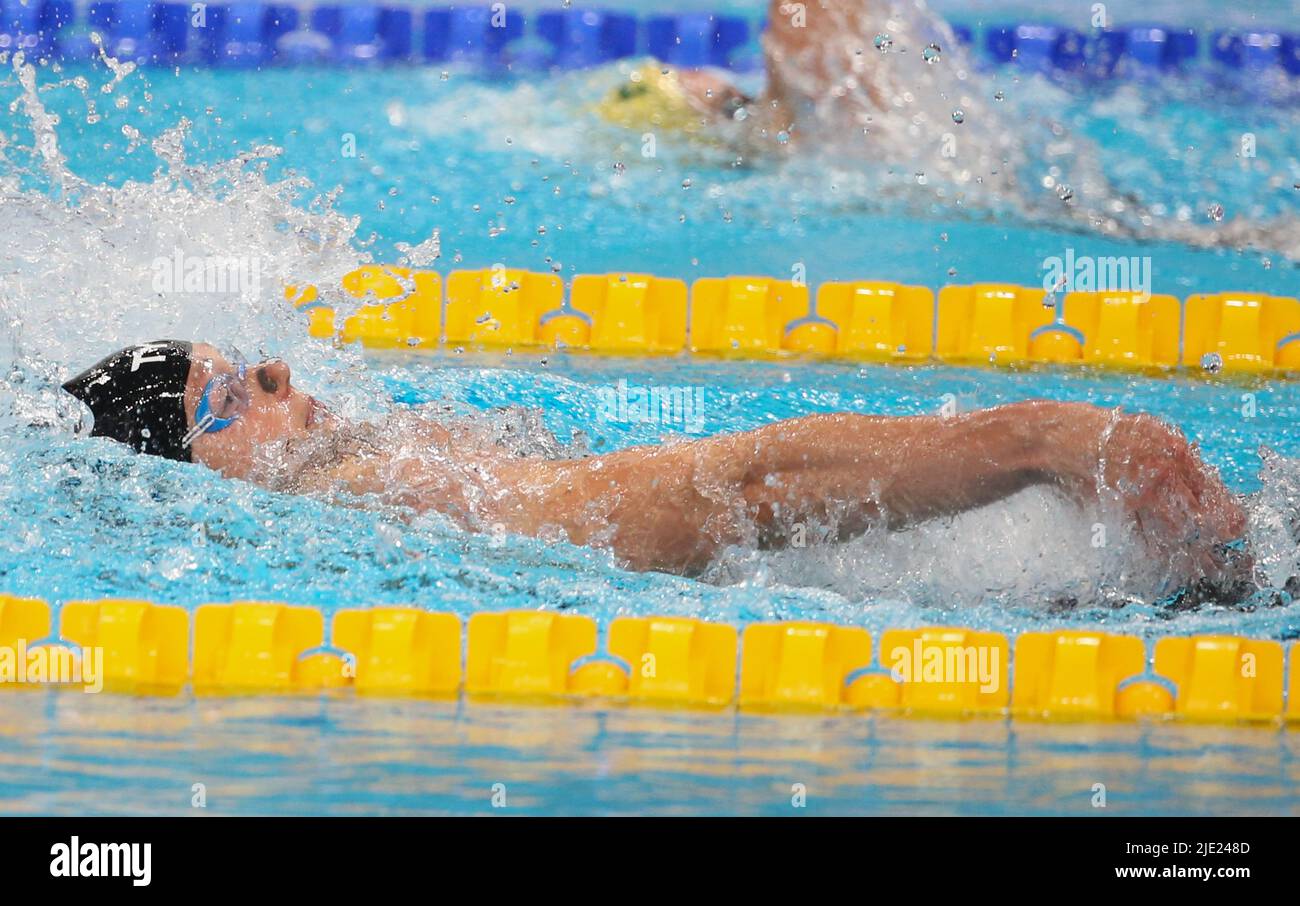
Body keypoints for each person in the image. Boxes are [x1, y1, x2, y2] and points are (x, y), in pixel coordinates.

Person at [61, 341, 1249, 596]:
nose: (274, 376)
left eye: (250, 363)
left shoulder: (358, 463)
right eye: (228, 398)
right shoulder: (342, 494)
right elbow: (694, 499)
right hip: (673, 521)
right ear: (191, 471)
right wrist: (1021, 442)